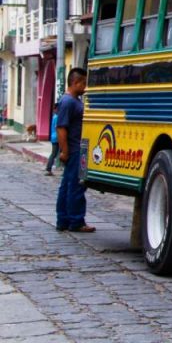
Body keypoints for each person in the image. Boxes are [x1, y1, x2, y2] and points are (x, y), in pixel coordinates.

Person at [55, 67, 94, 233]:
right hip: (76, 150)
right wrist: (65, 151)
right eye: (83, 83)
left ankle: (63, 219)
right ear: (75, 82)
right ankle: (76, 220)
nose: (85, 86)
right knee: (77, 185)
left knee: (67, 185)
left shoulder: (74, 101)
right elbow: (61, 128)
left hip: (78, 148)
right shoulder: (68, 102)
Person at [44, 111, 59, 176]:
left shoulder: (54, 117)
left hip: (54, 137)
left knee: (54, 154)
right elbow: (57, 127)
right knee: (54, 154)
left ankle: (48, 168)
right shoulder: (57, 117)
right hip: (57, 137)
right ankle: (48, 168)